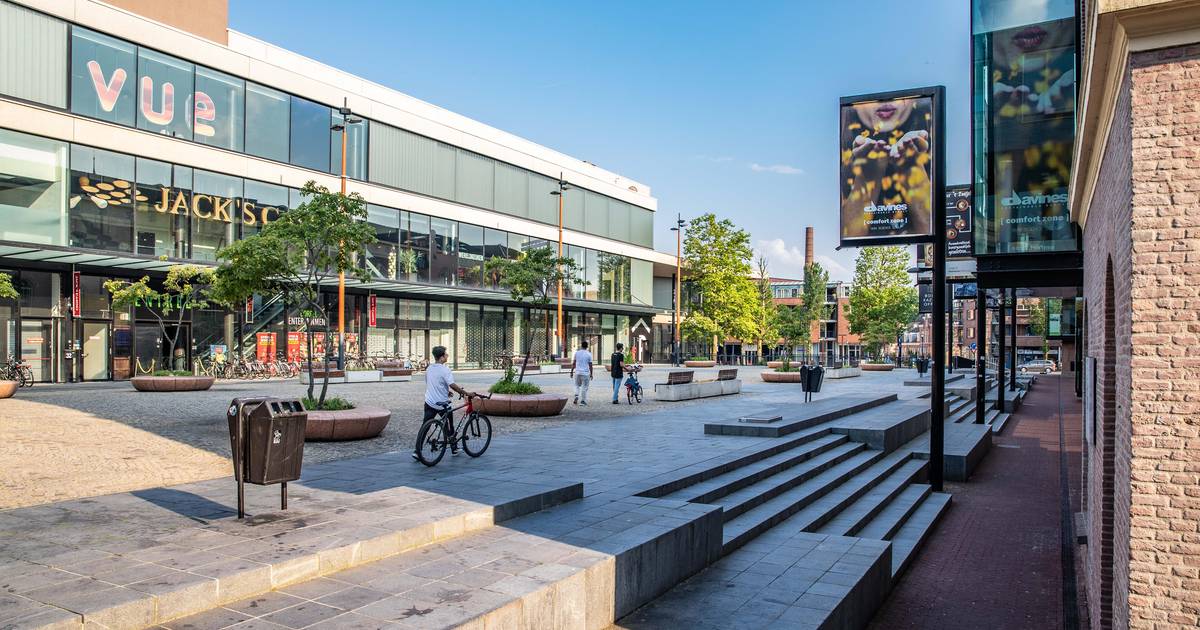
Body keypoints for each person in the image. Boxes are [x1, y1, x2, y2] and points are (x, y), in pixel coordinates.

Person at [414, 346, 478, 460]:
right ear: (442, 357)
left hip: (429, 402)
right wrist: (465, 393)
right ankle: (454, 448)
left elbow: (433, 383)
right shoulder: (445, 370)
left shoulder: (429, 368)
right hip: (442, 404)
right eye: (446, 354)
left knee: (425, 426)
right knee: (450, 427)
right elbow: (452, 384)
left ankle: (417, 451)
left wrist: (446, 391)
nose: (447, 355)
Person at [570, 340, 593, 405]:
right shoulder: (589, 354)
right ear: (587, 346)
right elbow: (590, 365)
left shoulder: (577, 353)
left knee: (577, 385)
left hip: (577, 372)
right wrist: (591, 374)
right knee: (584, 387)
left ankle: (576, 395)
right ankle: (583, 401)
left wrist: (571, 371)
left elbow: (574, 363)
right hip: (585, 373)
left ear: (581, 346)